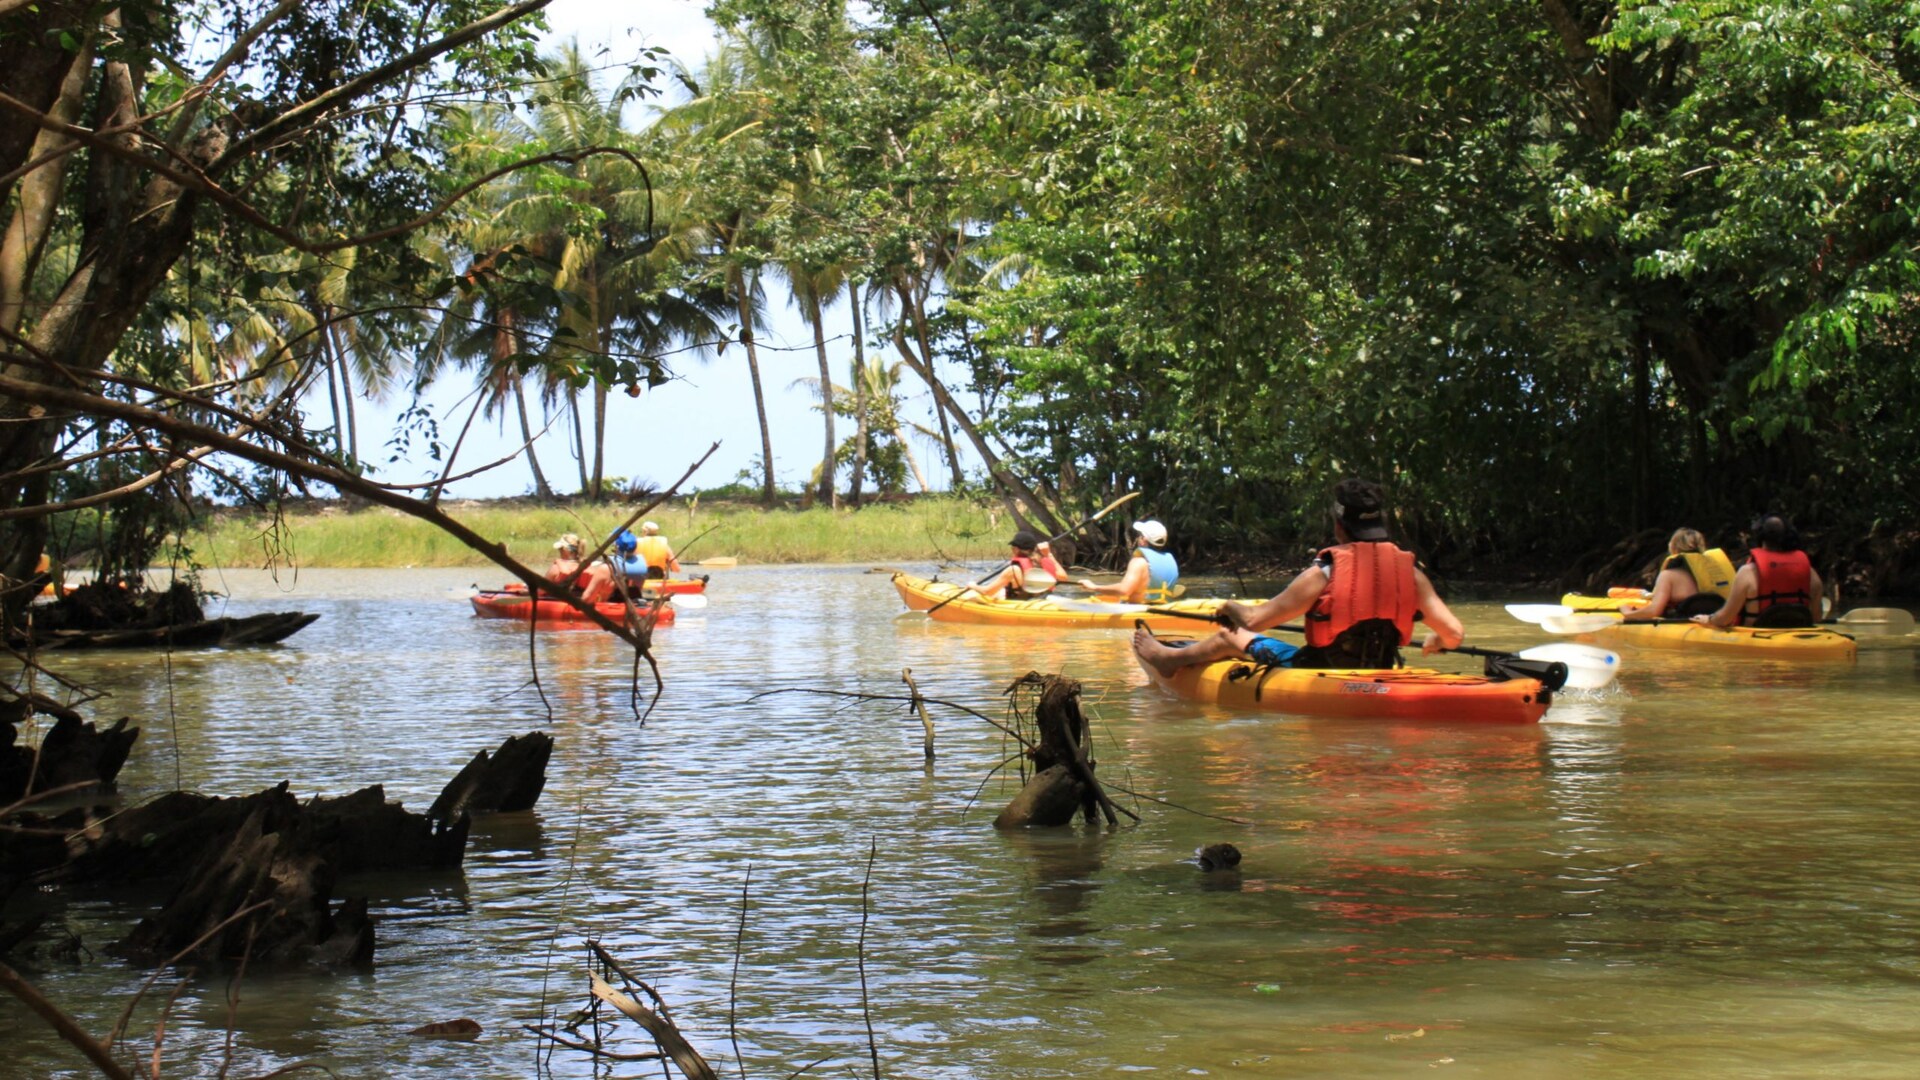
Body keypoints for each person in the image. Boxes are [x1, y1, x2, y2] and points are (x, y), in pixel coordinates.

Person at [1133, 478, 1464, 675]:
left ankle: (1166, 658)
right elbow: (1454, 633)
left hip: (1318, 672)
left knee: (1228, 638)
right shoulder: (1411, 573)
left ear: (1339, 525)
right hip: (1381, 672)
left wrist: (1228, 607)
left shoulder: (1325, 572)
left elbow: (1255, 621)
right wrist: (1437, 641)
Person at [1694, 514, 1824, 628]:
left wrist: (1709, 619)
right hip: (1799, 638)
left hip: (1756, 640)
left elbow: (1725, 618)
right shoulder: (1810, 573)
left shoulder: (1748, 573)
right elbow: (1817, 618)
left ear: (1760, 537)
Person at [1620, 527, 1736, 621]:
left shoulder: (1668, 575)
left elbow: (1654, 611)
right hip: (1716, 619)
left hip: (1685, 623)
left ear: (1673, 547)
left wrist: (1627, 612)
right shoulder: (1713, 570)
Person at [1078, 519, 1180, 604]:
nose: (1138, 538)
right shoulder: (1171, 561)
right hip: (1161, 609)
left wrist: (1094, 587)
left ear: (1143, 539)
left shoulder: (1139, 562)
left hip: (1137, 612)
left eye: (1139, 535)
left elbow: (1124, 590)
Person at [977, 529, 1067, 600]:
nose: (1012, 549)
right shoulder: (1044, 561)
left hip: (1020, 605)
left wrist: (972, 585)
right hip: (1042, 601)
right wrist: (1049, 554)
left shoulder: (1013, 570)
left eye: (1013, 548)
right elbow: (1064, 577)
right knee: (1000, 592)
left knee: (974, 594)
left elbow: (987, 592)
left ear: (1016, 549)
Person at [581, 529, 652, 603]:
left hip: (610, 609)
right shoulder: (643, 564)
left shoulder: (607, 569)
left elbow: (586, 597)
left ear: (615, 546)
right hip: (635, 607)